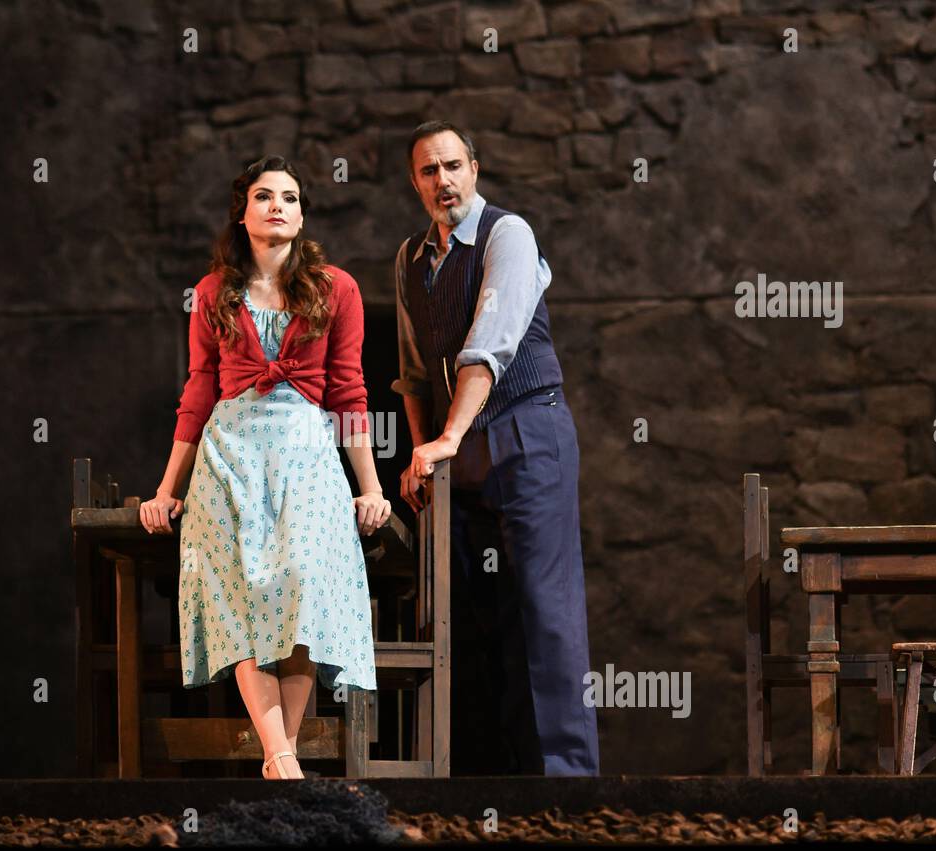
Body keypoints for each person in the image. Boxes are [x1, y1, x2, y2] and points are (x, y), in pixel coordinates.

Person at [140, 155, 391, 781]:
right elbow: (198, 392)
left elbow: (350, 392)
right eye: (263, 195)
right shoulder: (212, 292)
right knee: (241, 592)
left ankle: (282, 757)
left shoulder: (337, 288)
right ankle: (282, 758)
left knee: (304, 586)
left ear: (302, 214)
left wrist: (371, 487)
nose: (278, 205)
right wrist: (166, 489)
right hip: (231, 451)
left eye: (290, 196)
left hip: (306, 448)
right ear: (243, 212)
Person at [393, 121, 600, 776]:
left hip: (527, 431)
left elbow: (490, 343)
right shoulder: (410, 260)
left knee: (546, 605)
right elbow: (416, 373)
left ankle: (567, 784)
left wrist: (446, 439)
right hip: (461, 453)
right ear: (414, 181)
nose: (443, 181)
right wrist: (427, 447)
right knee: (483, 612)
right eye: (429, 171)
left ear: (475, 168)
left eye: (453, 166)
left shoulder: (507, 234)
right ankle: (507, 789)